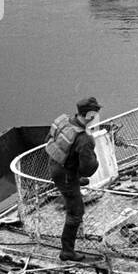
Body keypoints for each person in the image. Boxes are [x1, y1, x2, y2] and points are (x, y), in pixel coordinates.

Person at [44, 96, 101, 262]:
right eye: (96, 113)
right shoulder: (84, 139)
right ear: (90, 115)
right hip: (66, 176)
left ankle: (73, 181)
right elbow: (88, 169)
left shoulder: (65, 121)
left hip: (55, 164)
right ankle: (67, 251)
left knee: (76, 180)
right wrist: (94, 158)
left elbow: (50, 140)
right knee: (76, 212)